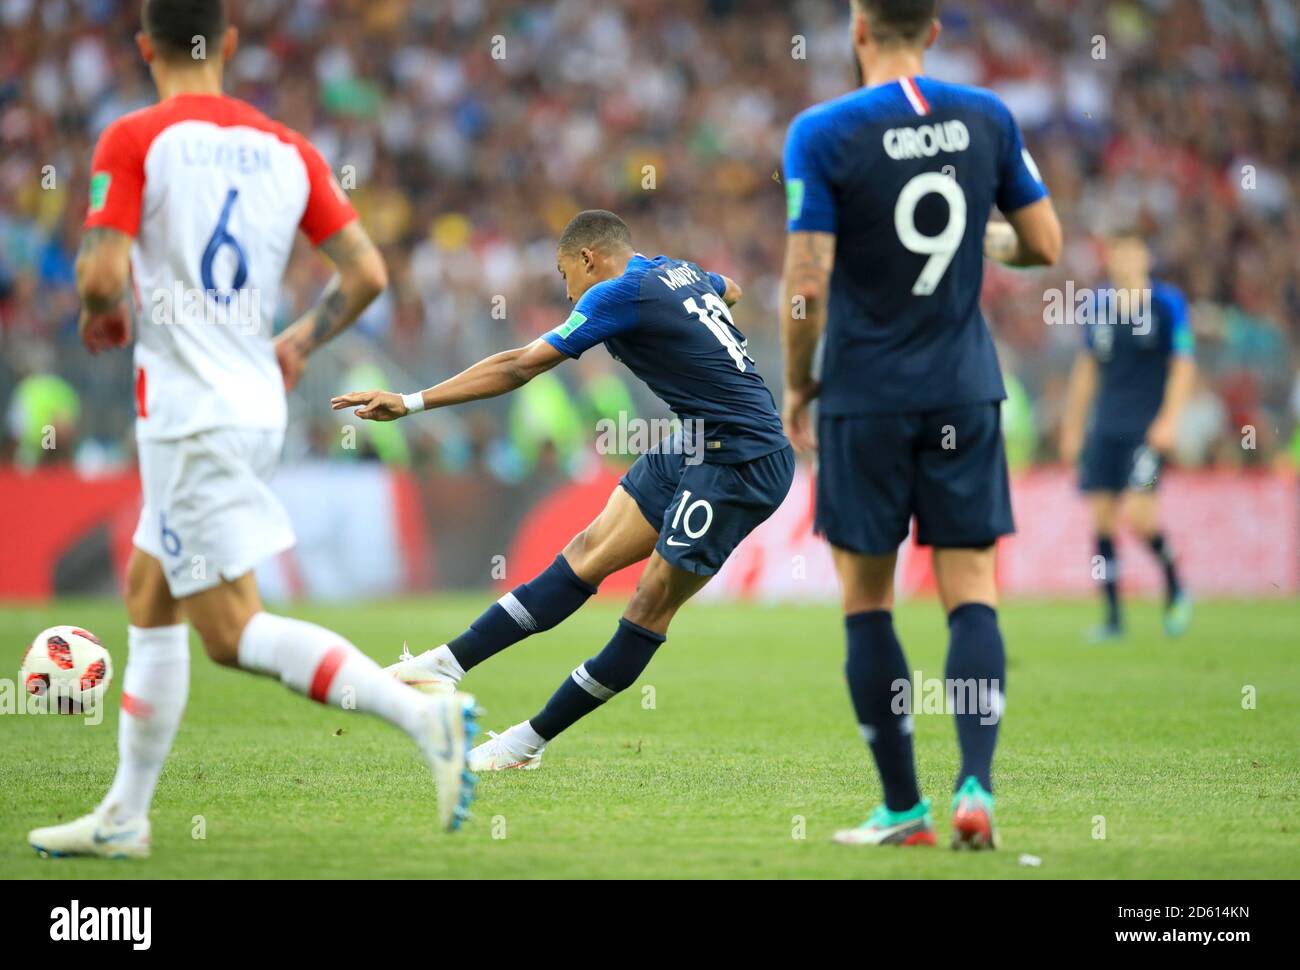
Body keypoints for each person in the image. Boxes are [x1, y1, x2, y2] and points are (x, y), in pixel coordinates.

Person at [28, 0, 477, 860]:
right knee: (148, 593)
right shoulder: (288, 149)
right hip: (250, 401)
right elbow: (366, 271)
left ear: (143, 47)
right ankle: (125, 814)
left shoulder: (133, 138)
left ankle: (424, 715)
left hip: (192, 416)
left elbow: (101, 270)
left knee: (230, 632)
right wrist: (301, 339)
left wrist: (97, 311)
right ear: (229, 45)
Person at [332, 209, 794, 771]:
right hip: (694, 438)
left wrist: (412, 402)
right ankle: (443, 665)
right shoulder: (678, 271)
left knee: (648, 605)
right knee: (584, 555)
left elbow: (518, 367)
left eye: (563, 273)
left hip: (743, 460)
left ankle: (527, 742)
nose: (566, 288)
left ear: (587, 260)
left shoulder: (614, 294)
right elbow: (733, 288)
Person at [779, 0, 1062, 848]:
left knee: (868, 601)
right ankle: (976, 783)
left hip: (864, 395)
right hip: (965, 389)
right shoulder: (988, 116)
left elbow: (806, 281)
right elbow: (1044, 242)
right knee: (971, 588)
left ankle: (903, 810)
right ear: (933, 31)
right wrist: (980, 233)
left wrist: (800, 381)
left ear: (857, 31)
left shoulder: (821, 132)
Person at [1059, 231, 1196, 641]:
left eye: (1133, 252)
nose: (1125, 260)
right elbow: (1086, 370)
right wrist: (1072, 426)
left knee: (1139, 516)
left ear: (1146, 257)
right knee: (1101, 519)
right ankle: (1113, 618)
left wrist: (1170, 419)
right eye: (1118, 253)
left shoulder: (1167, 303)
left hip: (1147, 432)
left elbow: (1184, 364)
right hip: (1105, 428)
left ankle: (1175, 585)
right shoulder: (1096, 305)